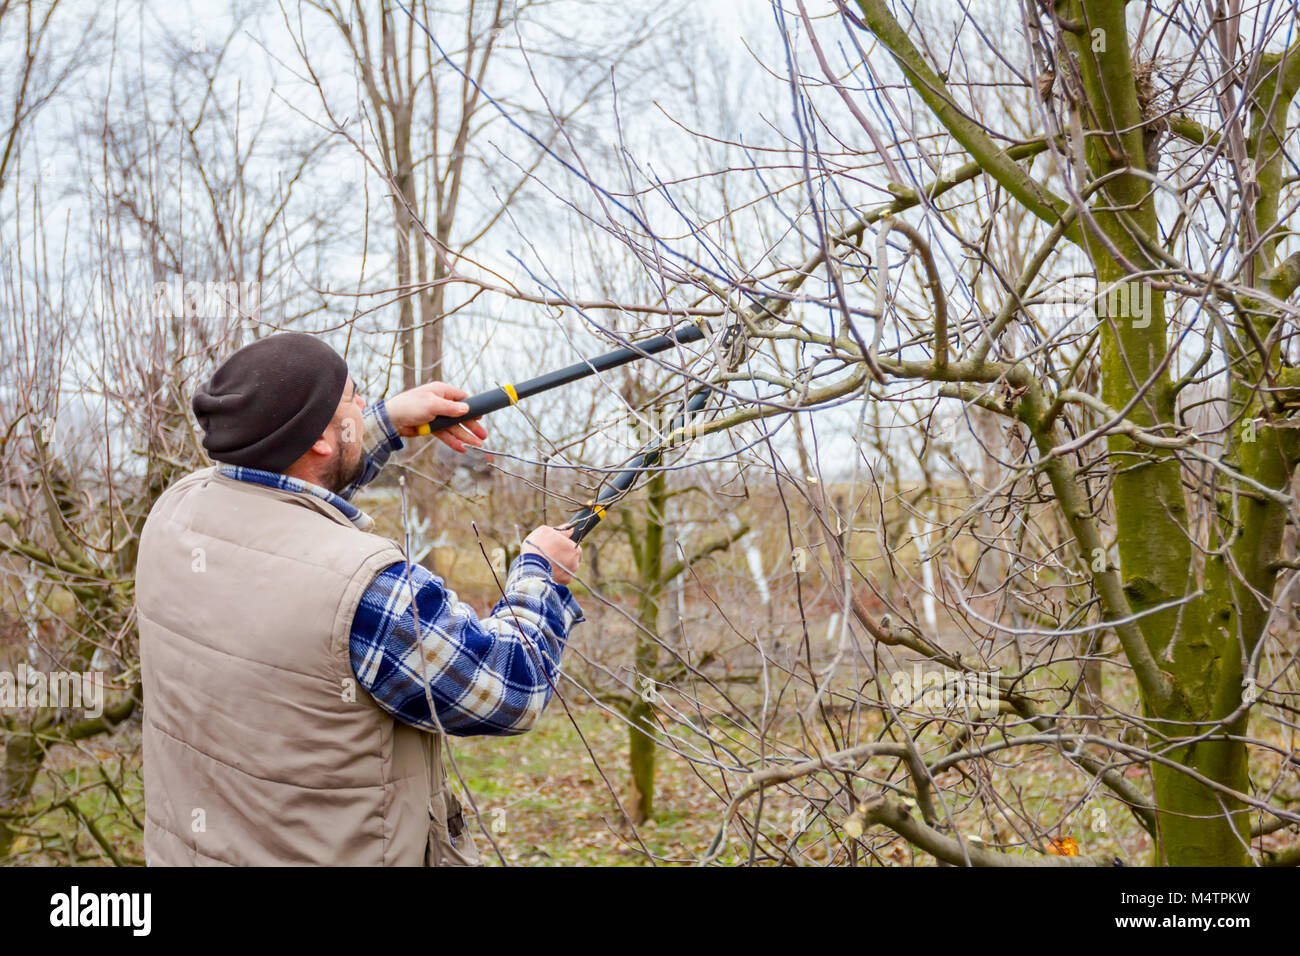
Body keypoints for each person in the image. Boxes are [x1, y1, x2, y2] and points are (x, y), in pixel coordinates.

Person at [134, 332, 583, 865]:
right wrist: (539, 574)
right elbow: (511, 688)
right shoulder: (369, 590)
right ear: (320, 440)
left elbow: (289, 490)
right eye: (353, 395)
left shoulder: (174, 513)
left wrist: (388, 421)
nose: (363, 404)